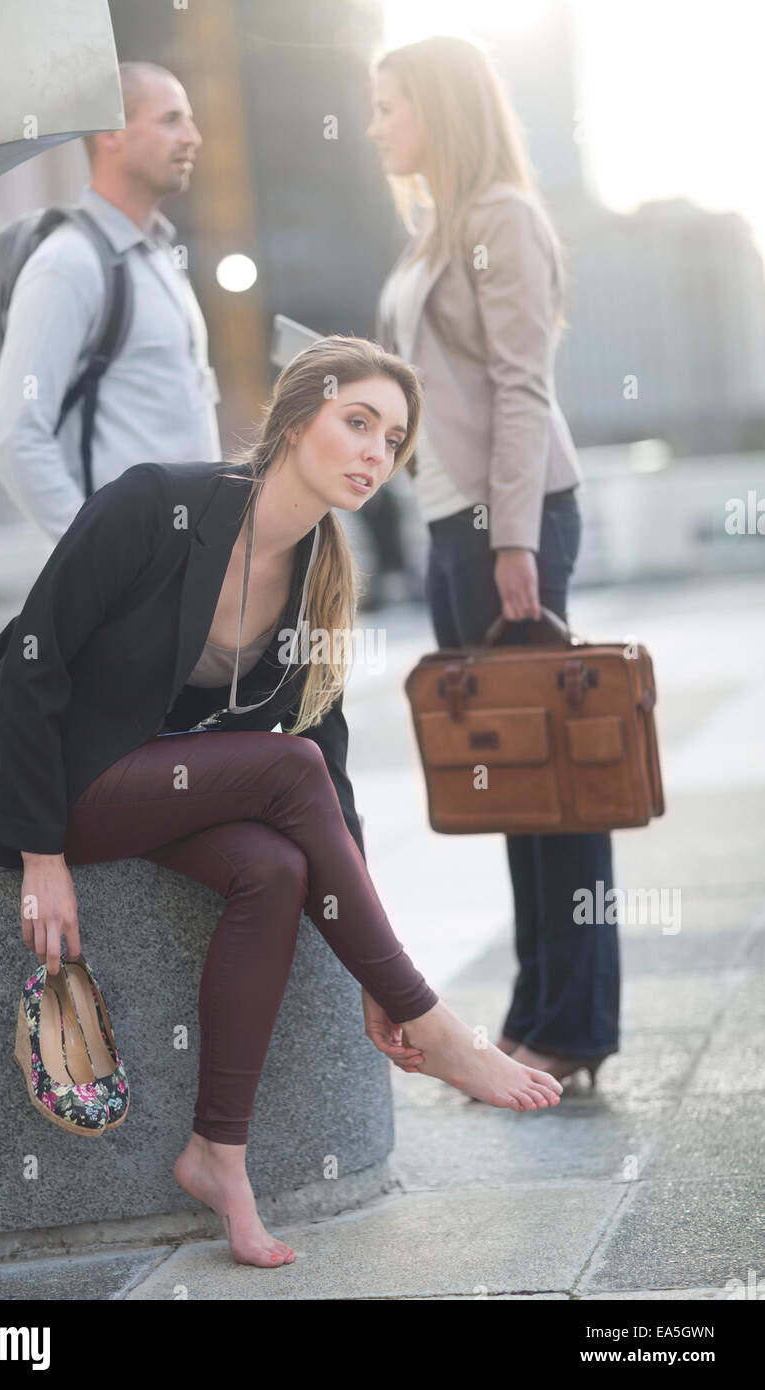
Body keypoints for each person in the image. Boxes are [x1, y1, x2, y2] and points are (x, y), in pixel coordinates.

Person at [0, 336, 563, 1271]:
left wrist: (357, 931)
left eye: (393, 440)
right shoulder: (155, 504)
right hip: (37, 788)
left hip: (145, 784)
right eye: (358, 423)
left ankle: (217, 1155)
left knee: (278, 866)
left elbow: (330, 765)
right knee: (287, 768)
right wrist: (42, 856)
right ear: (299, 419)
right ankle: (433, 1024)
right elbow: (34, 667)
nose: (375, 454)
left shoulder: (321, 575)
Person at [368, 36, 618, 1086]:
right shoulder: (434, 229)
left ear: (438, 110)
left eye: (388, 106)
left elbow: (522, 385)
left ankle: (573, 1022)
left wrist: (512, 539)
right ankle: (536, 1008)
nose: (375, 125)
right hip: (448, 520)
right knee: (512, 783)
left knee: (553, 779)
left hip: (499, 523)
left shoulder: (500, 219)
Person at [0, 60, 221, 541]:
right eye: (171, 119)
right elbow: (13, 439)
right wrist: (96, 558)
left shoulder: (157, 255)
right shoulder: (68, 263)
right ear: (110, 132)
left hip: (186, 565)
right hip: (132, 582)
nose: (193, 137)